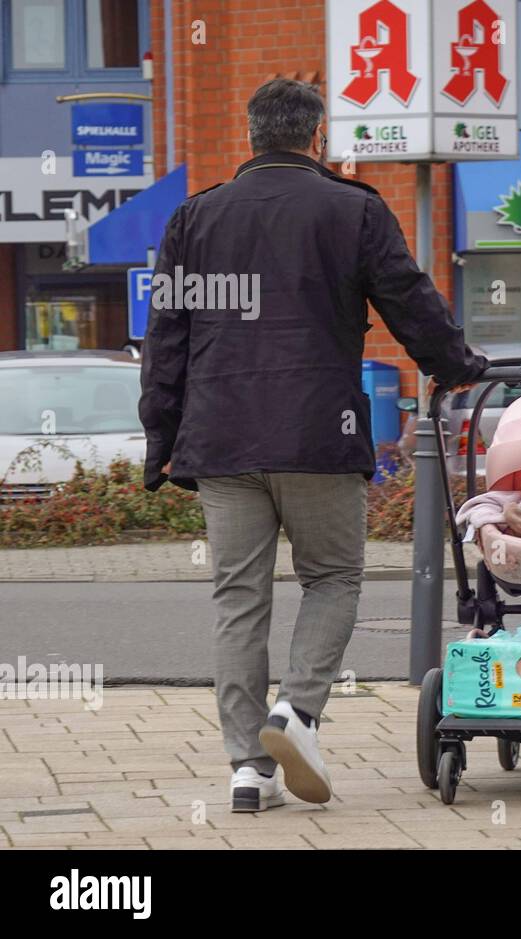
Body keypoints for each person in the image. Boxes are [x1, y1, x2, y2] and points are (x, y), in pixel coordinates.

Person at [138, 78, 486, 813]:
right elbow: (408, 298)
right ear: (317, 136)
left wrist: (158, 438)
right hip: (318, 433)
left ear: (252, 134)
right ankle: (295, 712)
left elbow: (166, 340)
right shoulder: (350, 209)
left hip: (222, 439)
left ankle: (245, 767)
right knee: (332, 577)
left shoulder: (194, 218)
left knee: (239, 599)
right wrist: (455, 365)